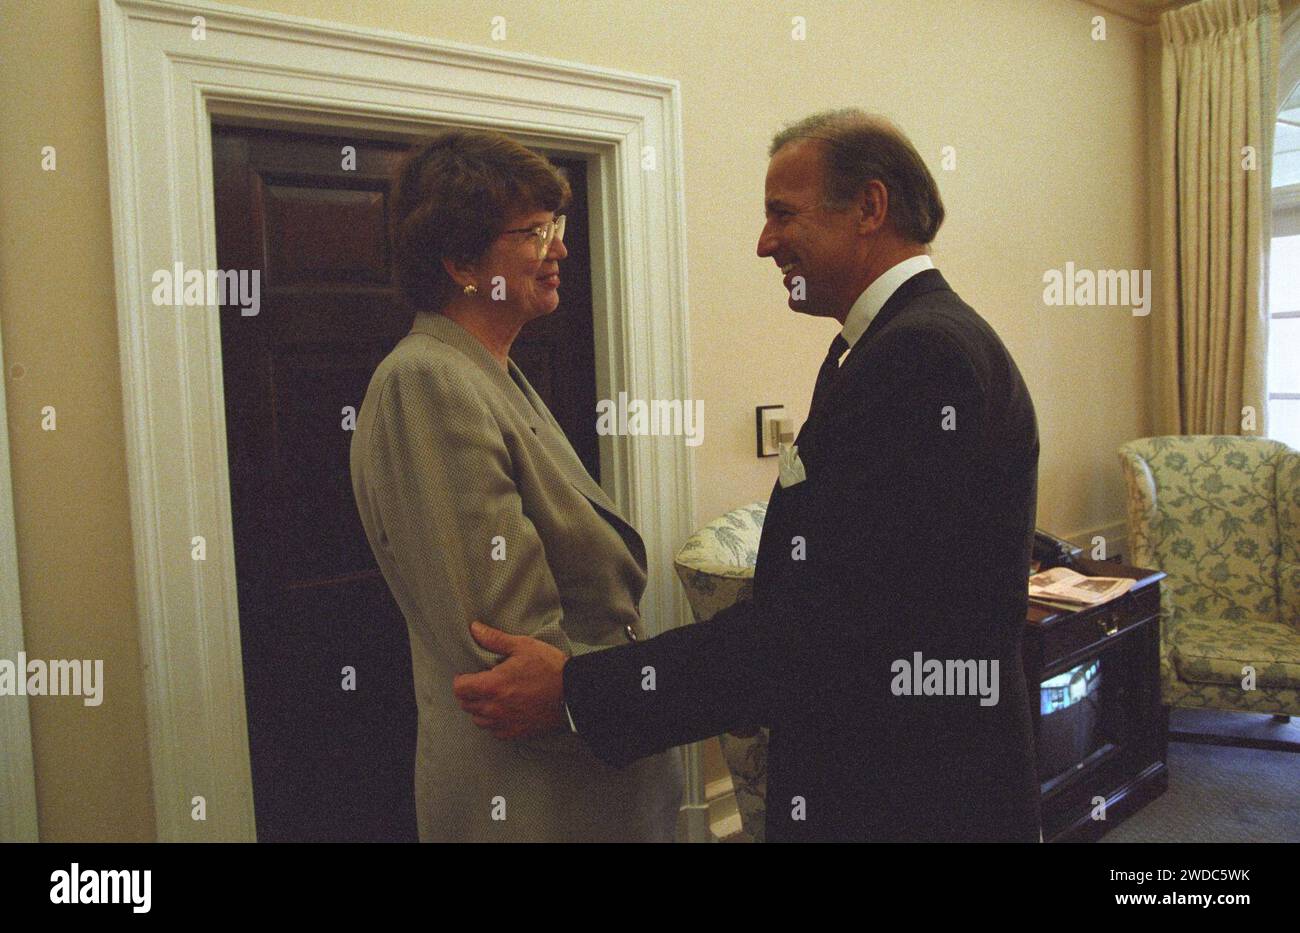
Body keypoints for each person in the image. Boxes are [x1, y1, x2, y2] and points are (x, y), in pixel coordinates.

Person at [453, 109, 1042, 842]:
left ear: (870, 207)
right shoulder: (882, 346)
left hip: (906, 791)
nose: (764, 243)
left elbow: (818, 629)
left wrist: (581, 692)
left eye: (781, 214)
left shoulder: (920, 356)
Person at [350, 128, 682, 842]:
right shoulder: (429, 381)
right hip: (538, 799)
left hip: (589, 779)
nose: (560, 248)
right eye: (534, 231)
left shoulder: (491, 370)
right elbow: (505, 648)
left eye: (554, 226)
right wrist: (623, 709)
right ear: (461, 261)